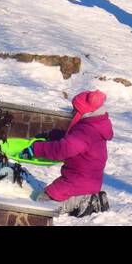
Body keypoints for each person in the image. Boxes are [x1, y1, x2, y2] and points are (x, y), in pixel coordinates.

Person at [26, 90, 112, 218]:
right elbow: (73, 140)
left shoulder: (85, 131)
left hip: (77, 181)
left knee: (44, 204)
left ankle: (86, 200)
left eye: (75, 110)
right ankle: (92, 196)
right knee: (50, 196)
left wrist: (36, 149)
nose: (72, 113)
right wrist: (53, 135)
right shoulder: (95, 125)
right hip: (87, 179)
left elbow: (63, 149)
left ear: (84, 112)